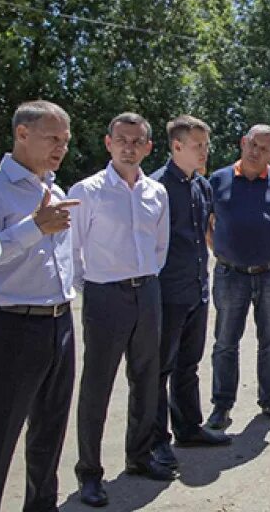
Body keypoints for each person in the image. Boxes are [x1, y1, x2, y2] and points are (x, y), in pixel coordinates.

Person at [0, 100, 81, 512]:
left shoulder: (56, 189)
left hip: (59, 323)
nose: (61, 148)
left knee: (49, 435)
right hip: (11, 327)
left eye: (65, 141)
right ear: (22, 134)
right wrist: (35, 226)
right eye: (53, 138)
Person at [69, 112, 171, 507]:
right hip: (104, 296)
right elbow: (73, 249)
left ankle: (139, 456)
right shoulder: (88, 191)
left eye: (138, 141)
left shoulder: (155, 193)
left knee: (146, 379)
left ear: (147, 147)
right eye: (122, 140)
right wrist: (90, 287)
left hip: (147, 292)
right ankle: (89, 474)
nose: (130, 147)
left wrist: (145, 279)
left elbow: (159, 246)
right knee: (97, 385)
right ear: (108, 143)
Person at [205, 124, 270, 429]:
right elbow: (207, 224)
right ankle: (221, 407)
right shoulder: (217, 180)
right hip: (229, 274)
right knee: (225, 343)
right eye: (252, 144)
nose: (255, 151)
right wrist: (222, 249)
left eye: (263, 148)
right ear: (242, 143)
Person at [149, 115, 229, 472]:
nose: (204, 151)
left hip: (197, 289)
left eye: (206, 145)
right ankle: (156, 442)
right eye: (198, 145)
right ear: (177, 146)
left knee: (189, 365)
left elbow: (204, 235)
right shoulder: (155, 187)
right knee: (159, 369)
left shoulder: (202, 185)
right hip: (167, 293)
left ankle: (188, 428)